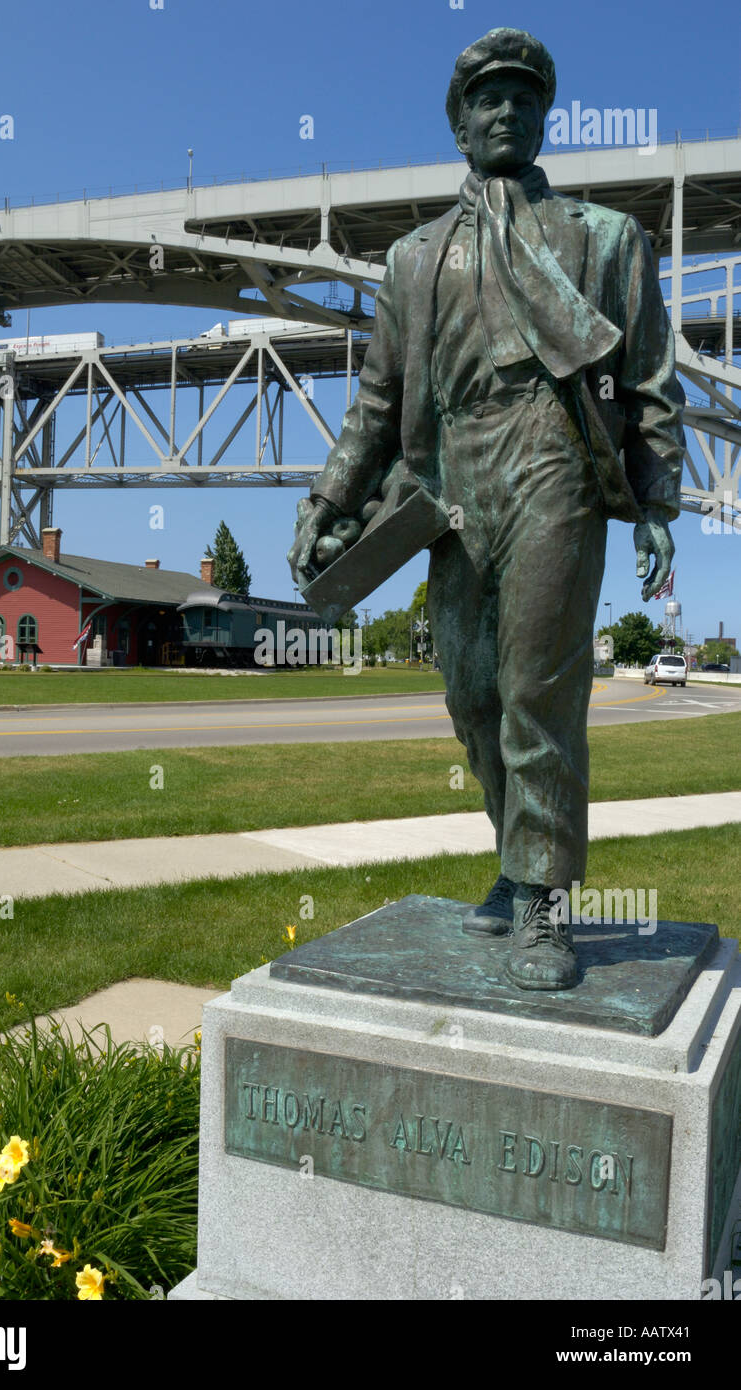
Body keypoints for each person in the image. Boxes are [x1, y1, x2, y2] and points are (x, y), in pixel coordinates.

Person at [288, 27, 685, 991]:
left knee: (538, 689)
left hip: (554, 455)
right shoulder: (415, 258)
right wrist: (329, 497)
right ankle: (515, 868)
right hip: (453, 478)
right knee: (471, 694)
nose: (504, 111)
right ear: (459, 127)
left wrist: (659, 499)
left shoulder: (606, 239)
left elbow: (650, 379)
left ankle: (548, 903)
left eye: (522, 97)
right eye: (486, 100)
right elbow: (379, 402)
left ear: (545, 117)